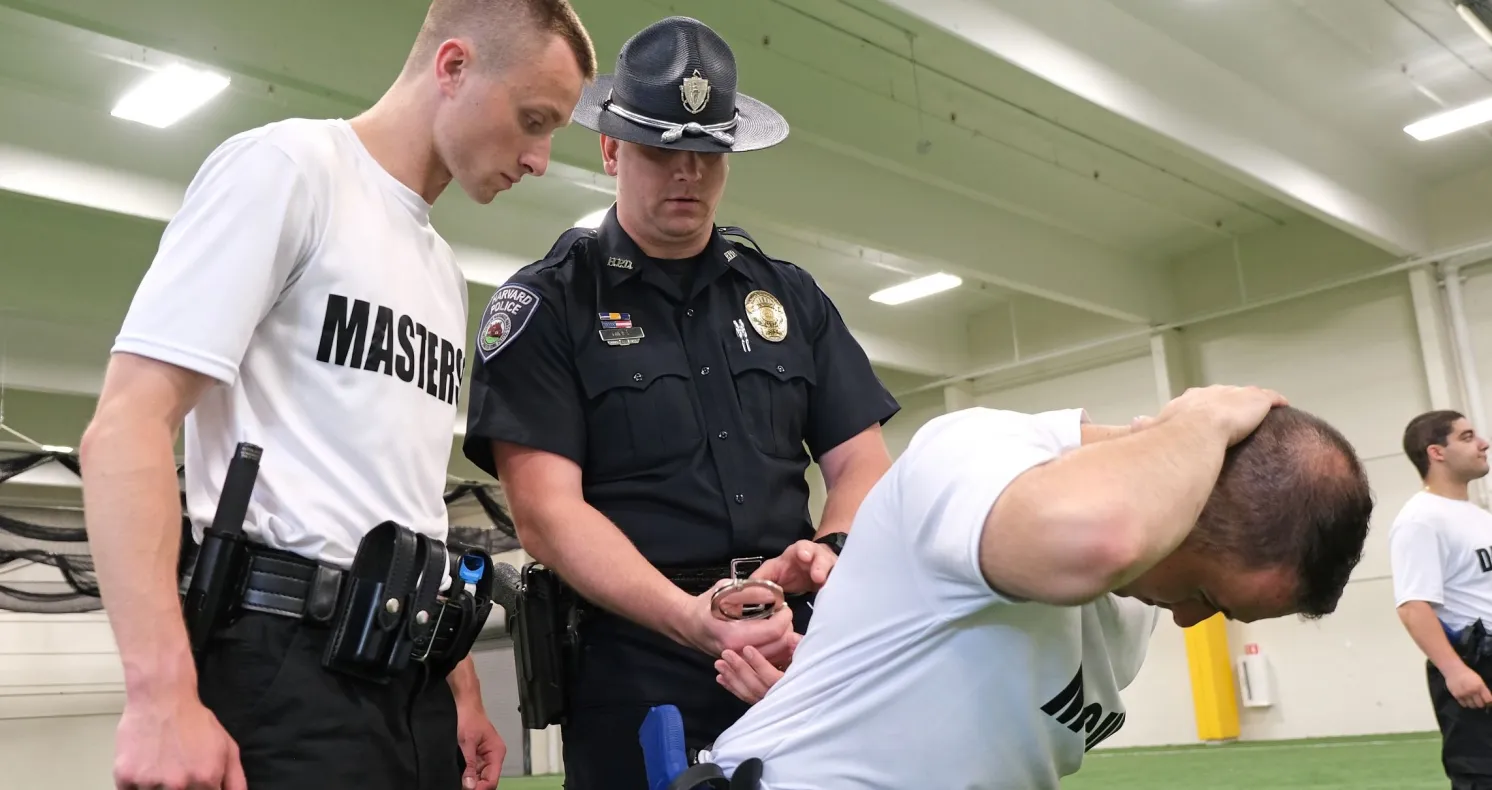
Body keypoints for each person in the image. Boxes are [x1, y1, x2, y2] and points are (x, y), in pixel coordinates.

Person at [80, 2, 596, 789]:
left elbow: (399, 499)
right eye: (532, 119)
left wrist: (454, 682)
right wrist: (160, 697)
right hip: (281, 667)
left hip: (406, 682)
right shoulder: (289, 170)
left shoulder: (438, 268)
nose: (539, 157)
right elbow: (125, 429)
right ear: (453, 67)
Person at [460, 15, 899, 789]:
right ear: (610, 148)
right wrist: (688, 617)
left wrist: (829, 549)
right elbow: (546, 515)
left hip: (790, 650)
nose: (686, 173)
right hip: (636, 663)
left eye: (706, 152)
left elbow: (861, 459)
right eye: (663, 149)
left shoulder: (788, 296)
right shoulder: (547, 304)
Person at [703, 386, 1375, 790]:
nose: (1195, 624)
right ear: (1185, 494)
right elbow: (1094, 540)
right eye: (1211, 596)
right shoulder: (980, 448)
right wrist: (1198, 421)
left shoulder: (1138, 605)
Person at [1389, 410, 1492, 790]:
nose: (1483, 443)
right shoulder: (1421, 520)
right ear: (1437, 452)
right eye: (1467, 437)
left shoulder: (1477, 516)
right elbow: (1413, 606)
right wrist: (1454, 670)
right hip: (1475, 667)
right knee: (1482, 778)